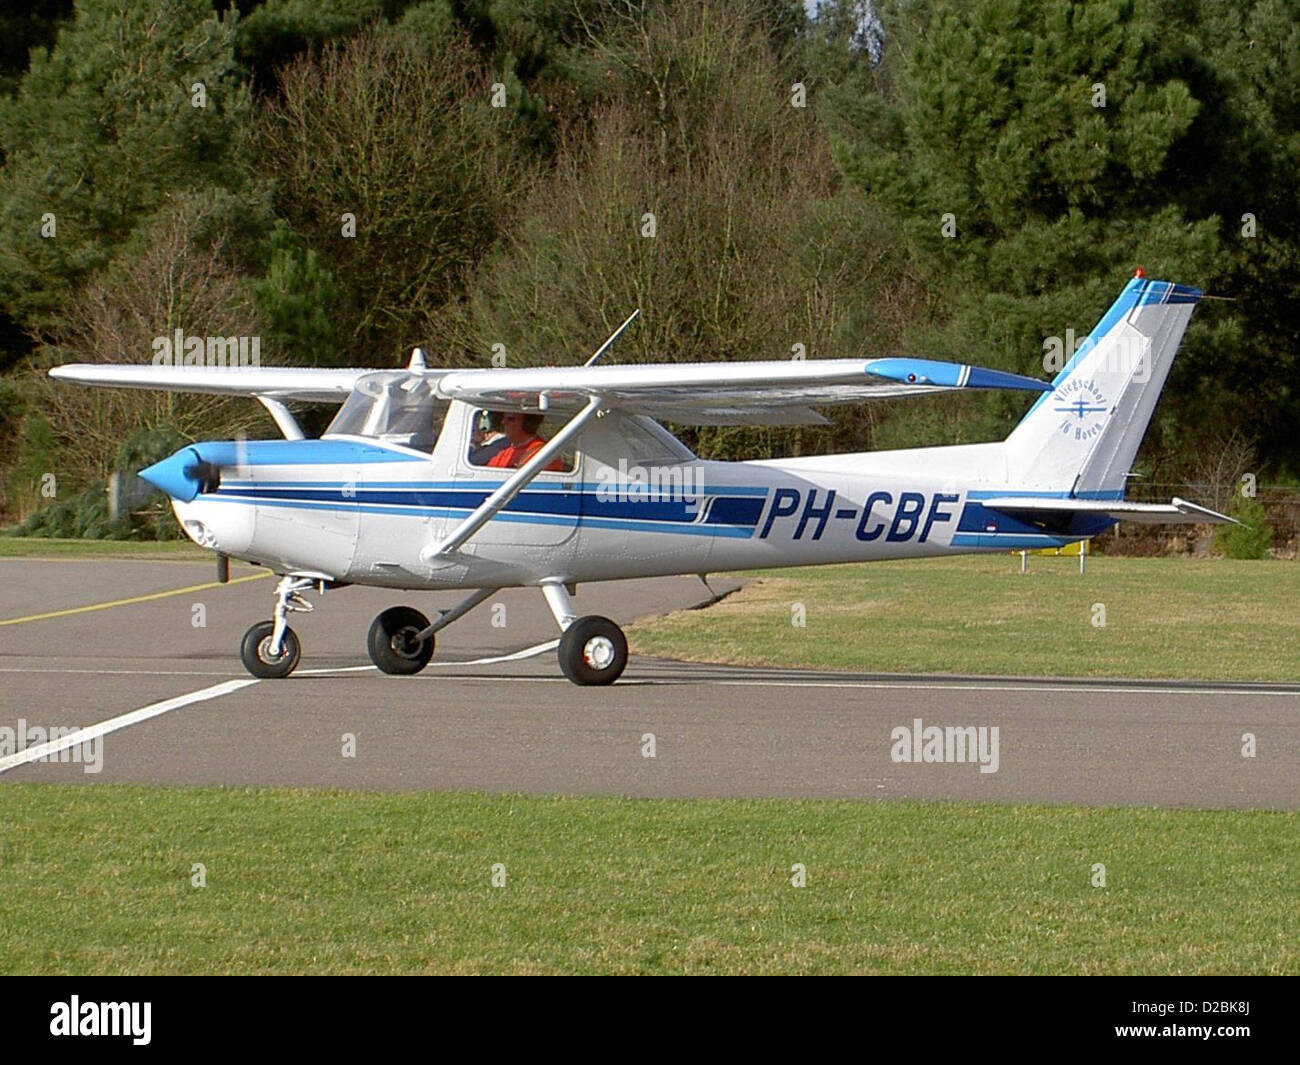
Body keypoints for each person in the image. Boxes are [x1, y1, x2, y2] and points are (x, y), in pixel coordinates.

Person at [487, 412, 565, 471]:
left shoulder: (544, 454)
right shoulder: (505, 453)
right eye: (503, 418)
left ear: (528, 424)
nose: (503, 422)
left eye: (511, 419)